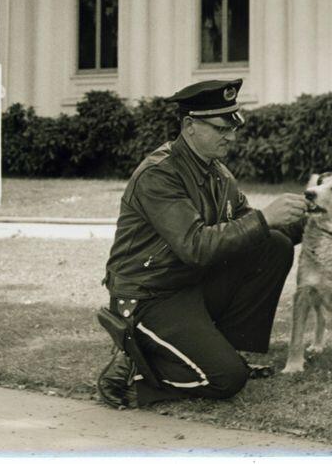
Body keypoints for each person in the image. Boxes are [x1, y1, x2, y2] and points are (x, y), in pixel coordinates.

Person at [97, 79, 307, 410]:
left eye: (234, 127)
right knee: (227, 379)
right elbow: (195, 246)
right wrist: (265, 218)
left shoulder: (218, 173)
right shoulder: (159, 174)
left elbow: (247, 230)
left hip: (188, 283)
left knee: (274, 246)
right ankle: (137, 369)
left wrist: (319, 218)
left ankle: (223, 347)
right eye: (222, 128)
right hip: (148, 295)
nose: (232, 136)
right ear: (189, 125)